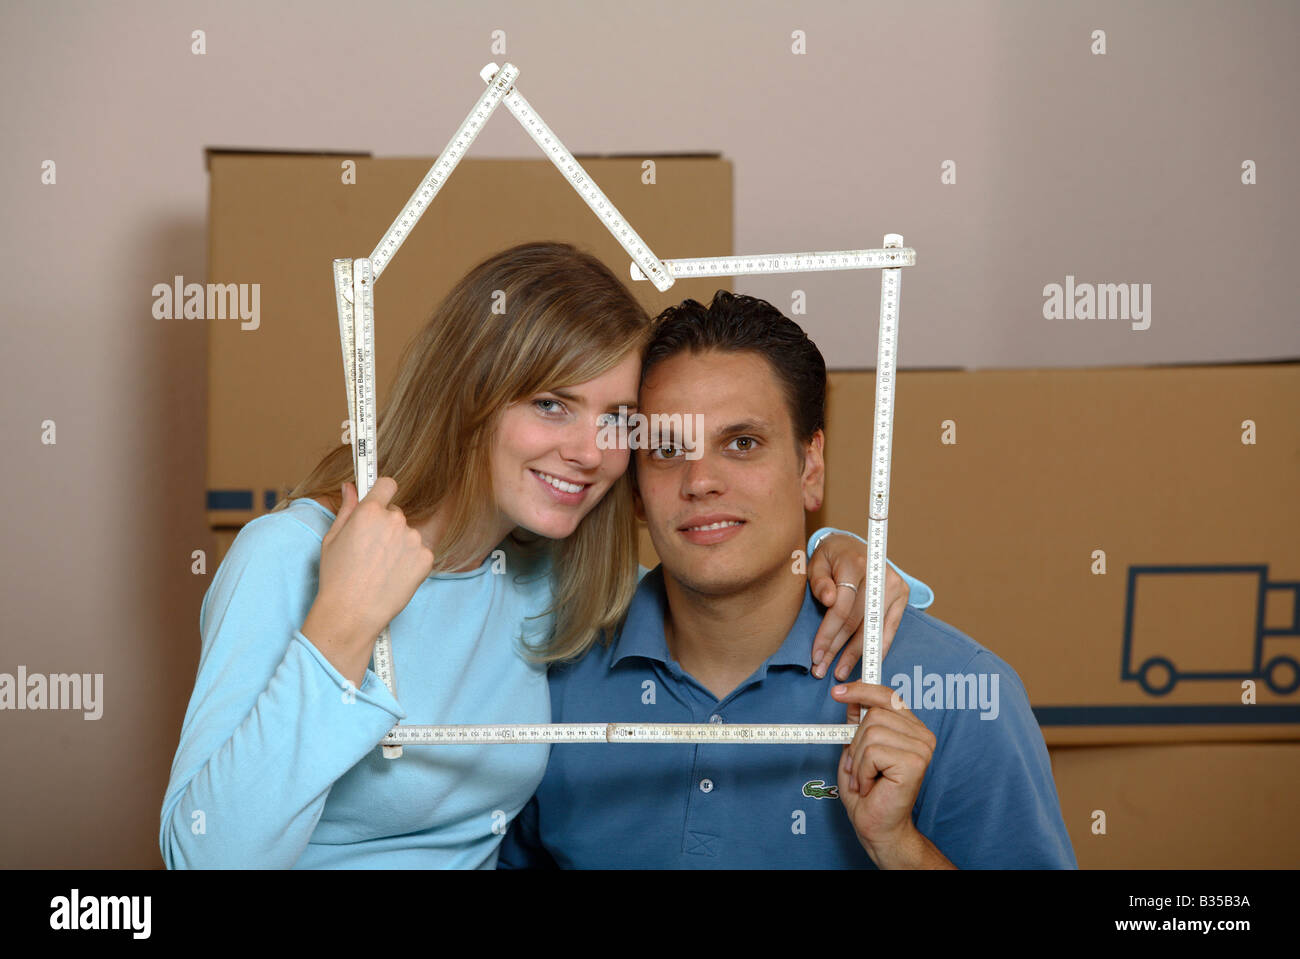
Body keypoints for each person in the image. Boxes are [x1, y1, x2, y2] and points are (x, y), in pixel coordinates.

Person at [159, 242, 930, 869]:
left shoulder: (549, 580)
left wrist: (833, 546)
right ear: (472, 396)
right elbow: (201, 856)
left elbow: (718, 572)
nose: (589, 452)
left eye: (618, 419)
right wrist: (340, 627)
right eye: (553, 404)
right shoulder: (288, 557)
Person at [498, 290, 1077, 869]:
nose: (700, 481)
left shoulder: (960, 693)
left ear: (811, 468)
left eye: (742, 444)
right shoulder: (550, 675)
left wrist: (899, 848)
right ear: (636, 490)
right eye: (668, 449)